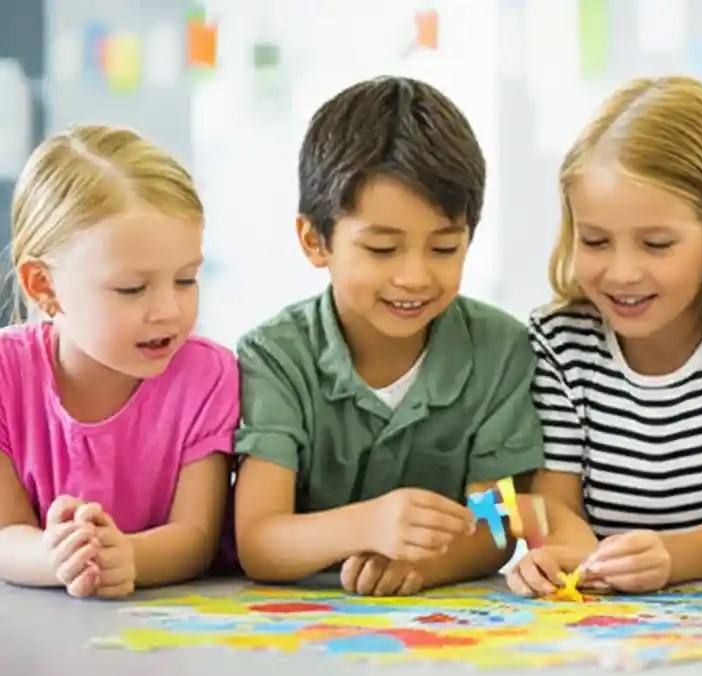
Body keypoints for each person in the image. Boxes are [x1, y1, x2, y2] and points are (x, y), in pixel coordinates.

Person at [233, 77, 547, 597]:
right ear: (316, 241)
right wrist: (366, 526)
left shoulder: (500, 353)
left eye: (444, 248)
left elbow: (495, 525)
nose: (415, 277)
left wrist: (426, 565)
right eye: (382, 249)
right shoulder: (276, 357)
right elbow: (261, 541)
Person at [506, 76, 702, 597]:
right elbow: (553, 502)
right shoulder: (560, 341)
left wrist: (669, 558)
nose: (621, 273)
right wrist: (568, 556)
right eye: (595, 240)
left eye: (657, 244)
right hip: (596, 606)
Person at [0, 126, 239, 599]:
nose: (169, 310)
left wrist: (127, 558)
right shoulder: (7, 375)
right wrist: (60, 556)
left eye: (187, 280)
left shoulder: (208, 377)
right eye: (132, 288)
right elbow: (5, 532)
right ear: (44, 286)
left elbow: (196, 536)